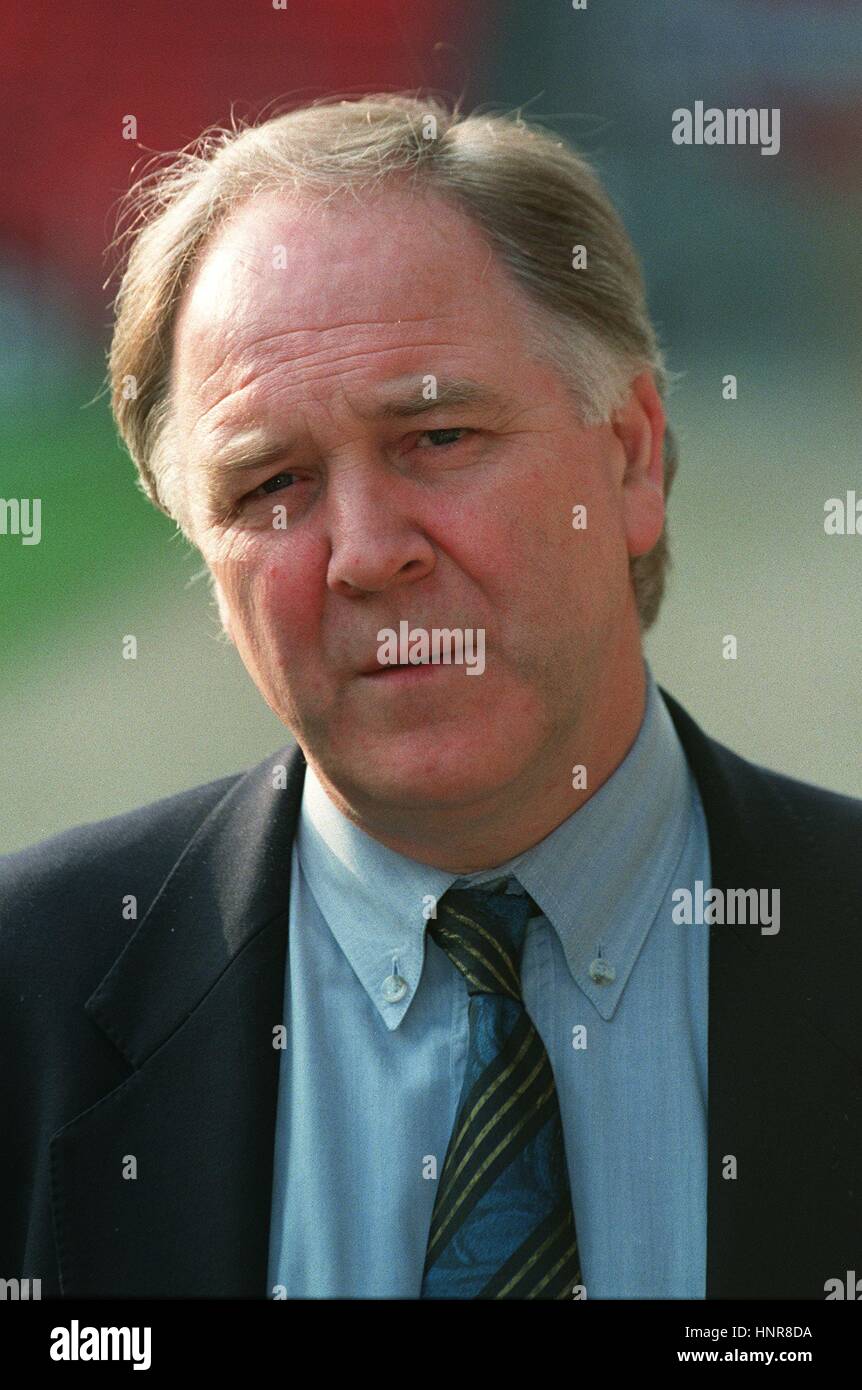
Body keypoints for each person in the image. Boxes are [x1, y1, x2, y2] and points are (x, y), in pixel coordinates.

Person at [1, 94, 859, 1300]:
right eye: (271, 484)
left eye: (438, 435)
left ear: (630, 458)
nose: (362, 550)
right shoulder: (25, 1002)